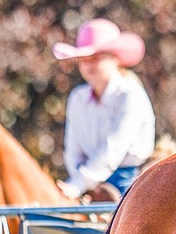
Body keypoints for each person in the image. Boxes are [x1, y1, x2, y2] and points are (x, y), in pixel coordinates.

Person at [52, 18, 156, 199]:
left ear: (114, 59)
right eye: (83, 59)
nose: (88, 64)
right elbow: (73, 150)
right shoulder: (77, 98)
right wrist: (79, 181)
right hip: (84, 178)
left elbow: (114, 148)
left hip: (129, 177)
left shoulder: (130, 94)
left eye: (96, 58)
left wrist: (78, 184)